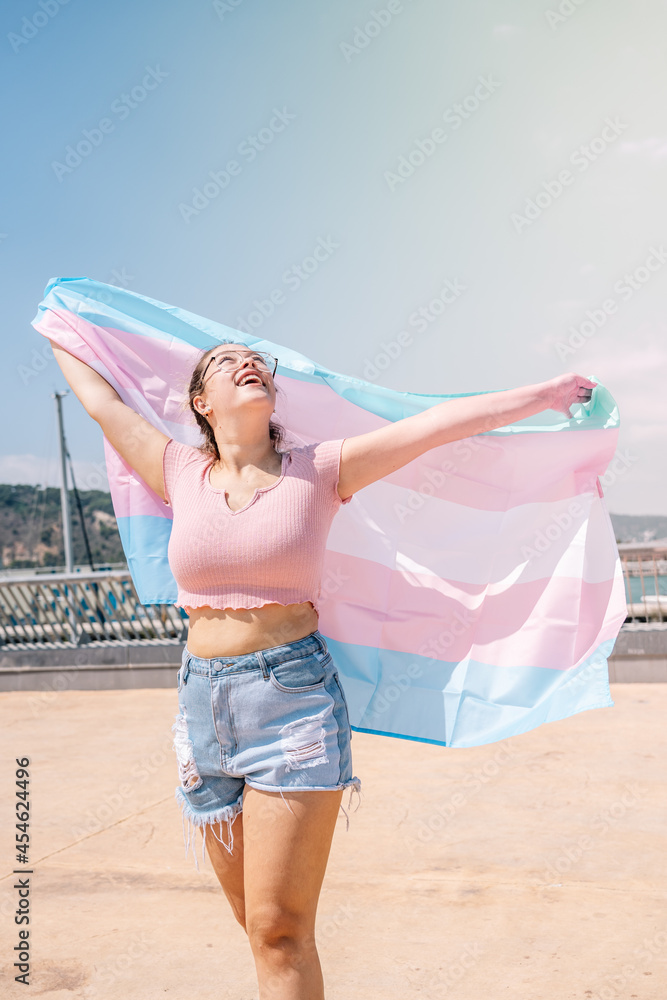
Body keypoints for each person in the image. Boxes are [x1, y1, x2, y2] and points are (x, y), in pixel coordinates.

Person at [50, 337, 594, 1000]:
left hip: (291, 705)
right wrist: (56, 322)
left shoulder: (321, 469)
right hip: (200, 711)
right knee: (255, 929)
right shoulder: (177, 470)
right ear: (200, 402)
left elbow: (432, 425)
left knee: (280, 929)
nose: (246, 363)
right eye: (225, 362)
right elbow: (101, 401)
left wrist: (544, 394)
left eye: (255, 359)